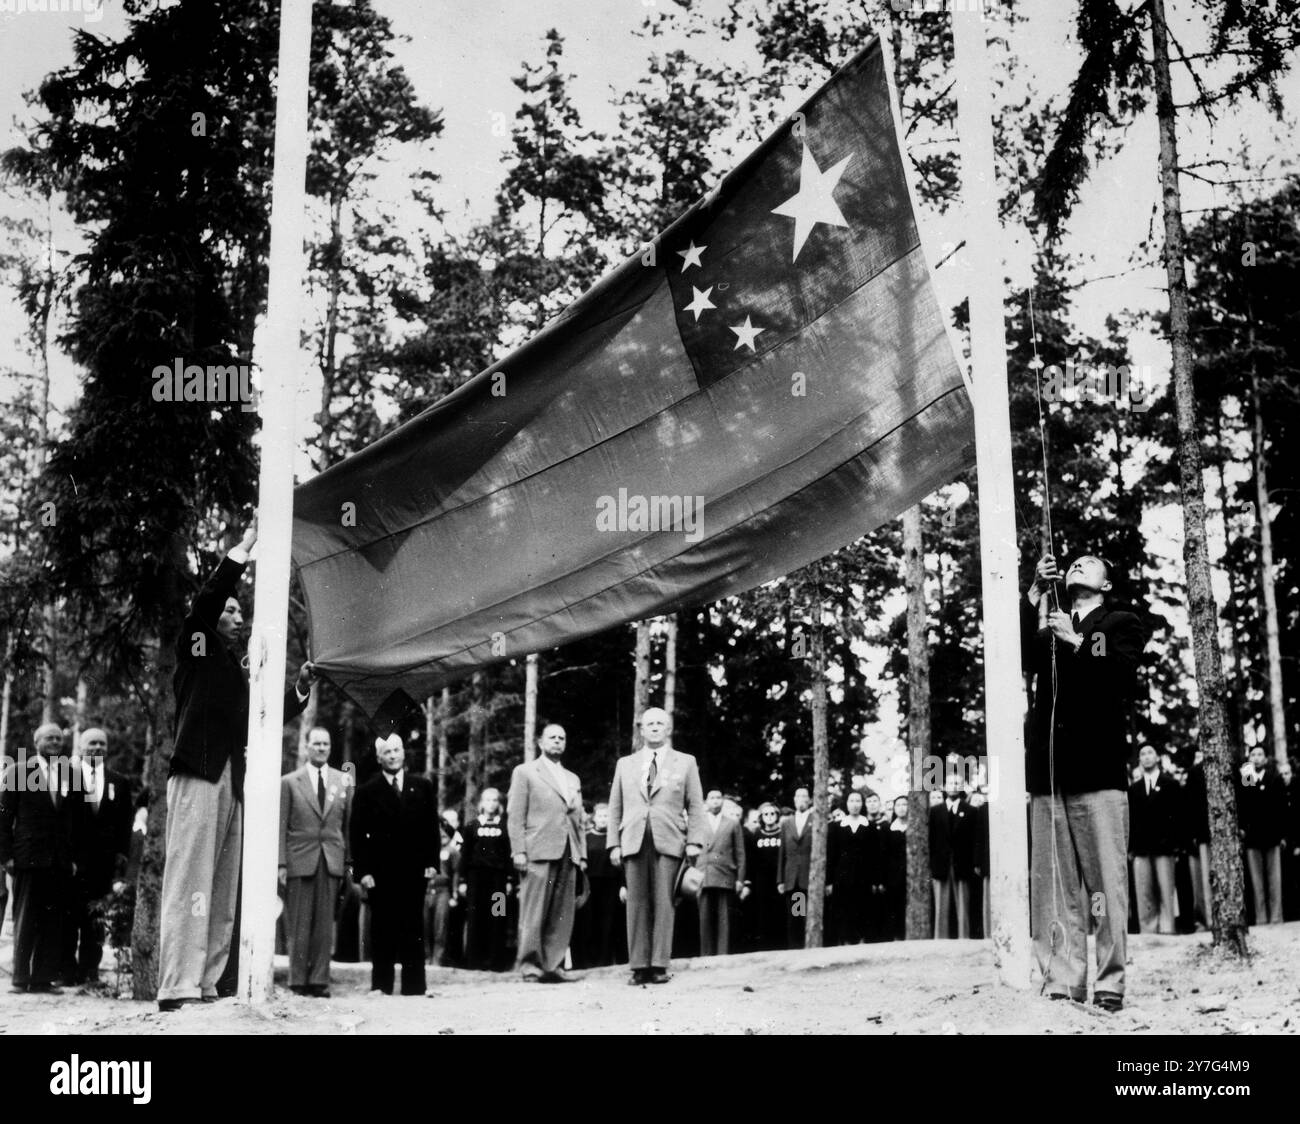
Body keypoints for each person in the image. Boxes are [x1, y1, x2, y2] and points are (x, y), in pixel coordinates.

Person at [157, 520, 315, 1010]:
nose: (236, 614)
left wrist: (300, 688)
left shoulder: (231, 669)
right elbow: (205, 606)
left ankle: (205, 982)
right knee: (190, 879)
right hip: (197, 773)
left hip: (232, 780)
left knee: (223, 884)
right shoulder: (198, 650)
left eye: (239, 610)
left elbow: (260, 717)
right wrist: (243, 550)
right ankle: (176, 985)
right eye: (230, 609)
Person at [1024, 552, 1146, 1012]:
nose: (1077, 566)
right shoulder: (1049, 625)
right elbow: (1018, 653)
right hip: (1049, 775)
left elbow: (1118, 673)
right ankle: (1062, 980)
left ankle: (1110, 984)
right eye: (1072, 563)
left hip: (1098, 775)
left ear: (1107, 583)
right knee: (1054, 887)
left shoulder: (1119, 622)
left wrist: (1075, 640)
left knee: (1104, 888)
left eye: (1089, 563)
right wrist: (1034, 593)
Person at [607, 707, 706, 985]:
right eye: (649, 723)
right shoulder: (625, 764)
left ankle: (660, 964)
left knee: (664, 902)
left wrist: (695, 841)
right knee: (635, 904)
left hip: (670, 839)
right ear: (641, 729)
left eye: (659, 723)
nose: (654, 727)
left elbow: (696, 805)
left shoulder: (685, 762)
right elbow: (615, 806)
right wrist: (613, 844)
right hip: (633, 840)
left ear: (668, 729)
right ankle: (639, 966)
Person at [350, 733, 438, 995]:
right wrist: (363, 871)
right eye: (387, 752)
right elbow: (356, 834)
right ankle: (381, 986)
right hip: (381, 872)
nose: (392, 755)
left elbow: (431, 828)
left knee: (414, 928)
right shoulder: (367, 791)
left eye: (396, 750)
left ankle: (415, 987)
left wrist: (432, 862)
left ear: (403, 753)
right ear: (379, 758)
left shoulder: (422, 786)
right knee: (383, 929)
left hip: (414, 870)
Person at [0, 725, 83, 993]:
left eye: (59, 738)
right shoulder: (17, 772)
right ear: (36, 742)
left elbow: (72, 821)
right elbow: (3, 818)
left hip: (58, 861)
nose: (55, 742)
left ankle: (43, 978)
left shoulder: (69, 775)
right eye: (50, 737)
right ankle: (20, 978)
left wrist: (71, 858)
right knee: (24, 920)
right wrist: (6, 857)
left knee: (52, 921)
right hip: (27, 858)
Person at [507, 723, 587, 982]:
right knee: (534, 911)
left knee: (561, 912)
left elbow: (579, 820)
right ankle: (530, 965)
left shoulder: (572, 778)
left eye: (562, 738)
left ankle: (552, 965)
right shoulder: (525, 772)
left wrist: (582, 855)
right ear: (540, 742)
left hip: (568, 851)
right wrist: (518, 851)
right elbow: (515, 815)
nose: (557, 741)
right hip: (537, 850)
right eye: (552, 737)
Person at [278, 726, 351, 997]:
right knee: (298, 922)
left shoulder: (342, 781)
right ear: (307, 747)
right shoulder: (290, 782)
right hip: (299, 858)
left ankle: (320, 980)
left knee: (324, 923)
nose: (321, 748)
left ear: (330, 748)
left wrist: (347, 861)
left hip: (331, 858)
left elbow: (347, 825)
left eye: (326, 744)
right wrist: (281, 864)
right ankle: (298, 980)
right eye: (316, 743)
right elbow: (281, 825)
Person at [63, 727, 133, 987]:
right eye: (92, 743)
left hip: (103, 865)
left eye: (102, 744)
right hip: (72, 862)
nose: (97, 748)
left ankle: (89, 971)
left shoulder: (119, 781)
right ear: (81, 747)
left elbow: (125, 823)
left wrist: (121, 855)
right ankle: (67, 972)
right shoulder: (66, 777)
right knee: (69, 918)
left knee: (96, 921)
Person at [459, 787, 514, 970]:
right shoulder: (471, 826)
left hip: (498, 880)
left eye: (494, 800)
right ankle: (474, 961)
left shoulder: (505, 826)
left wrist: (509, 880)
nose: (491, 804)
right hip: (476, 880)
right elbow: (465, 855)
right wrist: (462, 881)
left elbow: (508, 856)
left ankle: (496, 962)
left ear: (499, 804)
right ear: (481, 803)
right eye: (487, 800)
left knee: (498, 916)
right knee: (476, 917)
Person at [1127, 744, 1179, 934]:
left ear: (1157, 757)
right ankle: (1148, 931)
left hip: (1164, 847)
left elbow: (1177, 817)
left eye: (1150, 752)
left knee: (1166, 890)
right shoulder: (1133, 790)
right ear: (1139, 760)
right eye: (1142, 754)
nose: (1147, 757)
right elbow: (1131, 820)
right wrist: (1131, 847)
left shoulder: (1170, 784)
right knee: (1144, 892)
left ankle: (1167, 929)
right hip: (1141, 848)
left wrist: (1174, 844)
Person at [1237, 745, 1285, 925]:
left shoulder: (1274, 777)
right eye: (1253, 755)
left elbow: (1281, 809)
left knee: (1274, 879)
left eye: (1259, 754)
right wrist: (1242, 829)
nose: (1256, 758)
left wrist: (1282, 835)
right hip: (1253, 837)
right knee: (1256, 882)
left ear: (1265, 758)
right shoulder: (1247, 778)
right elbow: (1242, 805)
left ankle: (1276, 917)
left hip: (1272, 835)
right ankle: (1261, 918)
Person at [696, 787, 745, 957]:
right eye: (712, 798)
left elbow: (740, 853)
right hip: (703, 873)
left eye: (718, 797)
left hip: (725, 874)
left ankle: (722, 954)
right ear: (706, 802)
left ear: (723, 801)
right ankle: (706, 955)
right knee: (704, 918)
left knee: (724, 917)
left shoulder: (732, 823)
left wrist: (740, 878)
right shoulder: (697, 823)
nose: (715, 801)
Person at [929, 774, 974, 939]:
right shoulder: (935, 811)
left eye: (957, 783)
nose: (954, 786)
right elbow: (931, 840)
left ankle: (964, 938)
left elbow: (972, 841)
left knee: (963, 904)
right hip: (941, 864)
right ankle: (940, 939)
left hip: (962, 864)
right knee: (941, 905)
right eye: (950, 783)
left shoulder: (970, 811)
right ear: (944, 786)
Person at [829, 790, 872, 945]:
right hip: (842, 876)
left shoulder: (869, 826)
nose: (855, 804)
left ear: (862, 804)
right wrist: (829, 881)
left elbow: (875, 855)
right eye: (852, 801)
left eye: (858, 801)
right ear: (846, 804)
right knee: (844, 908)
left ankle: (862, 940)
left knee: (862, 907)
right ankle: (845, 941)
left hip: (863, 876)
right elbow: (832, 855)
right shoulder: (836, 827)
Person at [743, 802, 785, 951]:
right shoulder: (756, 835)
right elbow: (751, 861)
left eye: (772, 814)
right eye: (766, 814)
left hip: (780, 881)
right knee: (763, 914)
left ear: (777, 815)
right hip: (761, 882)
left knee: (783, 912)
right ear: (761, 817)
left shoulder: (783, 834)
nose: (769, 817)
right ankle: (764, 947)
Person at [778, 785, 814, 949]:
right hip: (793, 877)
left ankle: (809, 947)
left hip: (810, 876)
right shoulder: (787, 823)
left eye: (804, 796)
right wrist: (780, 879)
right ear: (794, 800)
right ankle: (795, 948)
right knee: (795, 916)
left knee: (809, 916)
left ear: (809, 799)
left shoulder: (815, 820)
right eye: (798, 796)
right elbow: (782, 852)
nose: (801, 799)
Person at [427, 821, 460, 966]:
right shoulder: (425, 850)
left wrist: (454, 894)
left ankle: (438, 959)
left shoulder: (452, 852)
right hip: (426, 890)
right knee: (424, 925)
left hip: (443, 891)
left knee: (440, 927)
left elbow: (456, 874)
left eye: (445, 836)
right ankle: (425, 958)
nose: (441, 838)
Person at [887, 795, 909, 940]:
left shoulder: (914, 827)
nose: (902, 808)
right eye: (898, 805)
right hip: (894, 875)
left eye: (904, 804)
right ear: (894, 809)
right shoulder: (889, 829)